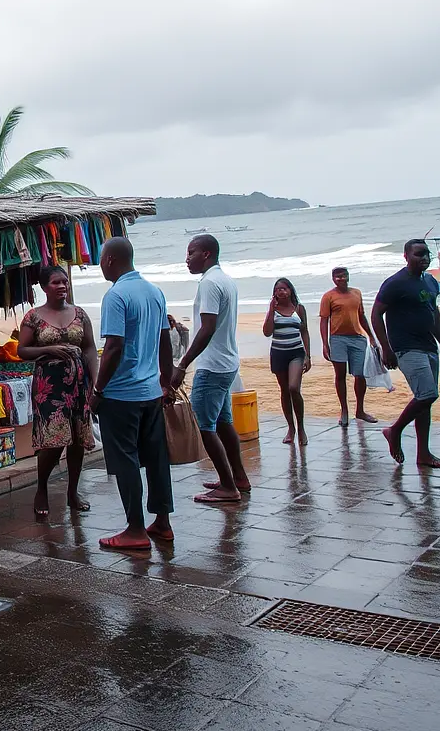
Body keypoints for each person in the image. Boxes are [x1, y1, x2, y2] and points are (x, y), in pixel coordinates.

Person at [90, 236, 174, 552]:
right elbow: (165, 339)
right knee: (156, 458)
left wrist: (98, 389)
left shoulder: (116, 296)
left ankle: (135, 528)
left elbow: (113, 347)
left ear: (110, 260)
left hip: (122, 394)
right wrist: (166, 381)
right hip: (151, 391)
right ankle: (162, 522)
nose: (99, 265)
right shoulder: (155, 292)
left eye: (100, 259)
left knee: (125, 460)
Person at [168, 234, 250, 506]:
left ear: (206, 254)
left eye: (191, 253)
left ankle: (228, 486)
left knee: (205, 426)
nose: (186, 259)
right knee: (224, 422)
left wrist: (183, 364)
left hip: (212, 366)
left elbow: (207, 328)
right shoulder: (225, 280)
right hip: (227, 362)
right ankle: (238, 477)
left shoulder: (210, 283)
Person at [18, 265, 99, 520]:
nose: (62, 286)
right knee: (53, 442)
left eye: (64, 281)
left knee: (76, 440)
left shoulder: (80, 314)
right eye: (56, 282)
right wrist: (51, 350)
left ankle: (72, 493)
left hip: (77, 384)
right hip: (48, 387)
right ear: (44, 287)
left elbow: (89, 349)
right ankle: (41, 488)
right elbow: (22, 350)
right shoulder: (34, 317)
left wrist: (94, 384)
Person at [371, 239, 440, 469]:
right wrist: (386, 348)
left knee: (424, 402)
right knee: (427, 394)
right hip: (406, 347)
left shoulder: (430, 282)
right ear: (406, 256)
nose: (424, 258)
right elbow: (376, 314)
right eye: (419, 254)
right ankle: (394, 430)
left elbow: (434, 313)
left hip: (429, 346)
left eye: (427, 254)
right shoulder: (395, 283)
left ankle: (423, 454)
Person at [319, 267, 380, 425]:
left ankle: (360, 410)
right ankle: (344, 410)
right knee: (340, 375)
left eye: (343, 276)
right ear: (333, 279)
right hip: (337, 339)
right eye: (337, 277)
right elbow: (324, 320)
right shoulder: (328, 296)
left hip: (357, 338)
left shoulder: (356, 293)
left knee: (360, 375)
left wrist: (372, 337)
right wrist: (325, 344)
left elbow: (361, 316)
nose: (341, 279)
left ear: (348, 277)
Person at [263, 278, 313, 446]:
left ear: (290, 290)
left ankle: (302, 428)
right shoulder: (274, 310)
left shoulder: (299, 309)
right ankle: (291, 428)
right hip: (278, 353)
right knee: (284, 390)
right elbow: (267, 332)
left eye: (284, 289)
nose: (281, 292)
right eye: (278, 289)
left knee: (293, 388)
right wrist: (271, 309)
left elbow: (304, 331)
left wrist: (308, 355)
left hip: (296, 353)